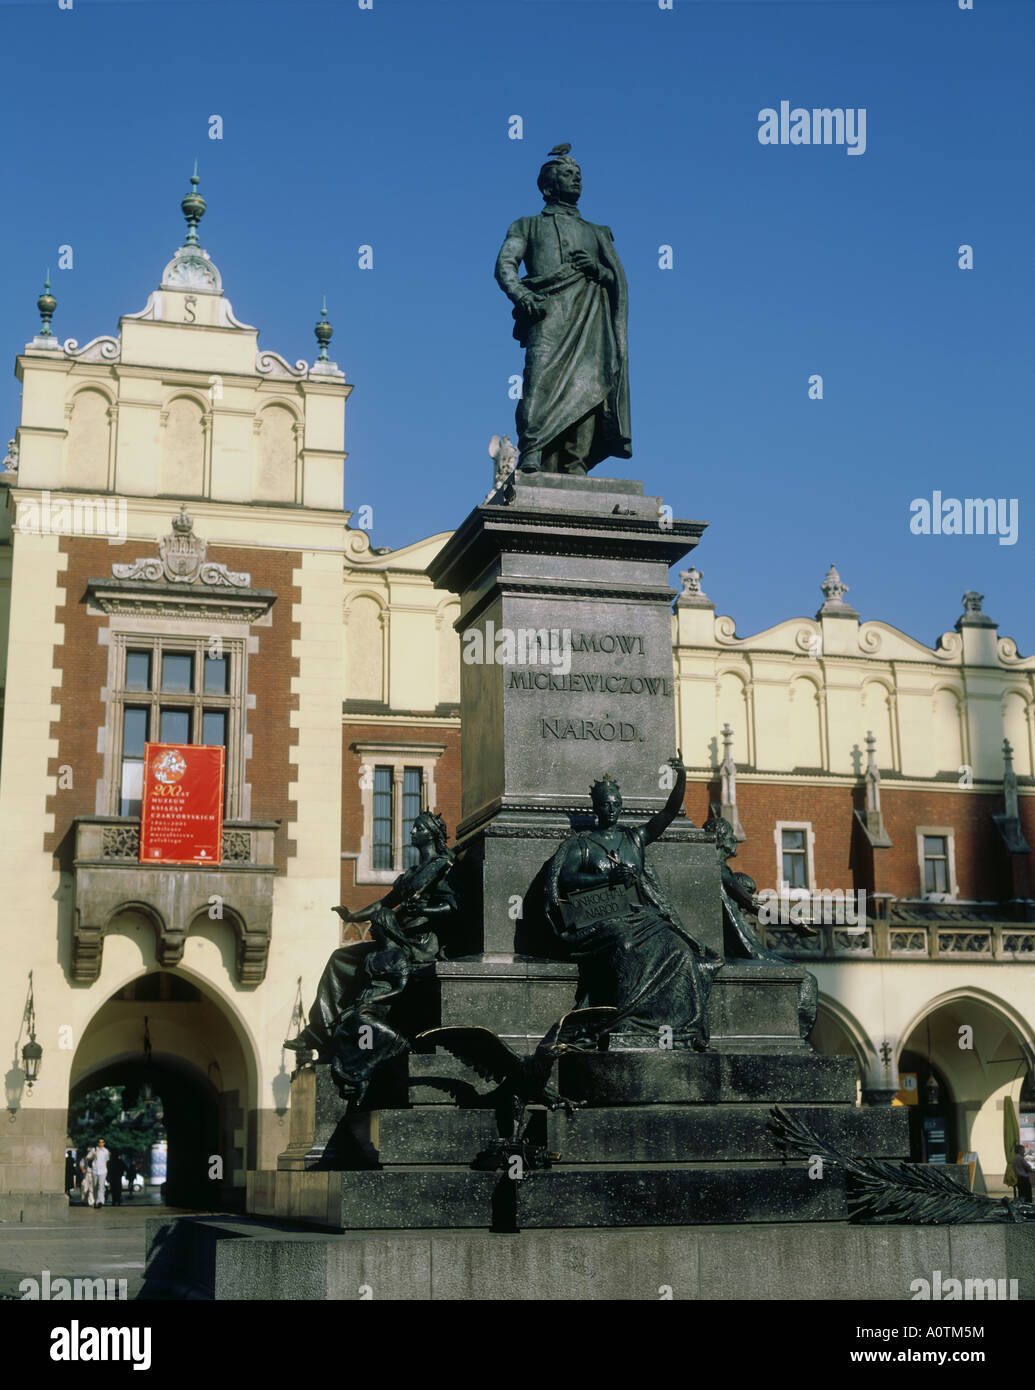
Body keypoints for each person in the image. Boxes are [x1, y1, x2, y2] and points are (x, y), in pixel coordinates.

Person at [545, 757, 722, 1049]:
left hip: (639, 916)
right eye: (605, 804)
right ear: (595, 807)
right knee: (625, 945)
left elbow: (668, 812)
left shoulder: (635, 838)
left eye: (616, 803)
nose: (612, 809)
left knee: (678, 949)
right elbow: (567, 878)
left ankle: (683, 1027)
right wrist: (610, 878)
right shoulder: (583, 844)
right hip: (600, 919)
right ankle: (623, 1021)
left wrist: (682, 779)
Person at [286, 810, 458, 1100]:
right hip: (396, 937)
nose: (412, 832)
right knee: (339, 958)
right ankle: (319, 1031)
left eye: (417, 828)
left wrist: (424, 910)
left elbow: (453, 906)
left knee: (369, 969)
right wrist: (352, 915)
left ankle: (355, 1035)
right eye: (413, 827)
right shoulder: (413, 875)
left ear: (431, 833)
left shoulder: (442, 867)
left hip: (419, 942)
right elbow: (383, 905)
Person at [495, 145, 631, 476]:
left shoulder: (596, 232)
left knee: (590, 385)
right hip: (548, 314)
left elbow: (618, 282)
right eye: (567, 175)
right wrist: (523, 296)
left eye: (578, 176)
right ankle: (533, 448)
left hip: (590, 321)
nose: (576, 180)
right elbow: (504, 266)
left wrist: (599, 271)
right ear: (547, 187)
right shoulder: (526, 225)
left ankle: (576, 462)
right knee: (538, 380)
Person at [91, 1138, 110, 1208]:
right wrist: (93, 1156)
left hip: (103, 1171)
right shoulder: (94, 1150)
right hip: (95, 1170)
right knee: (95, 1186)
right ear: (98, 1143)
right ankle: (96, 1201)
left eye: (102, 1142)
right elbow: (88, 1158)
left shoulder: (106, 1151)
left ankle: (100, 1202)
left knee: (101, 1186)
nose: (101, 1143)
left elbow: (106, 1161)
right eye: (99, 1142)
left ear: (104, 1143)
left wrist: (106, 1169)